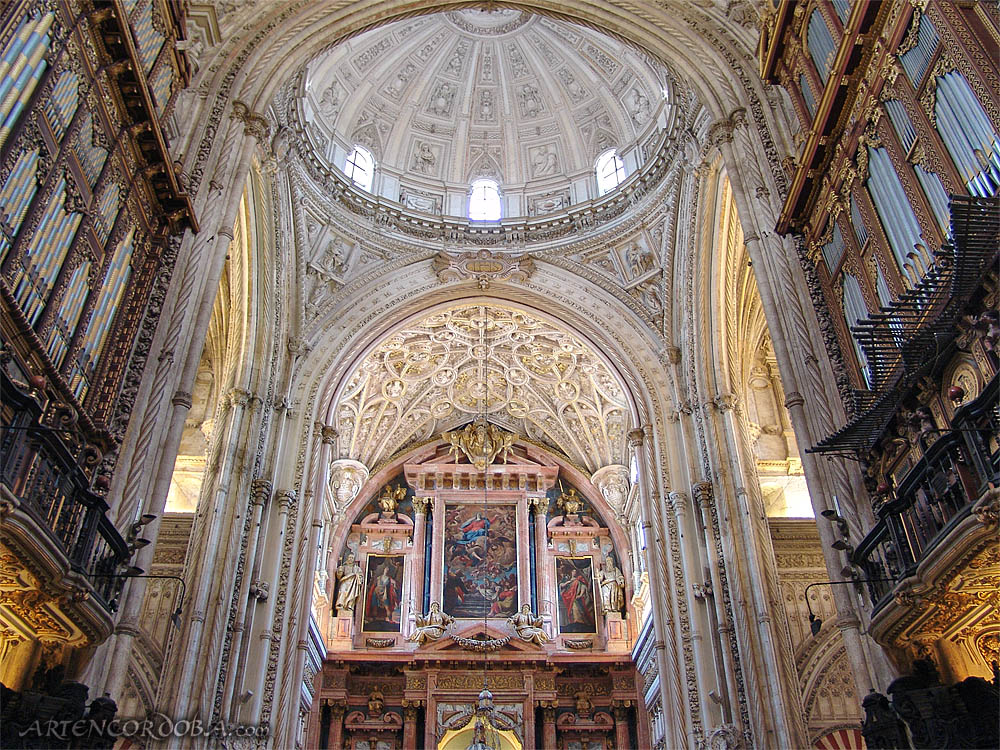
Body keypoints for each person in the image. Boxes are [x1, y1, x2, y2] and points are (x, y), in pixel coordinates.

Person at [560, 565, 593, 630]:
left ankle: (578, 620)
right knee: (573, 609)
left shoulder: (578, 580)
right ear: (571, 572)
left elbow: (583, 587)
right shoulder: (568, 581)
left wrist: (580, 595)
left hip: (576, 598)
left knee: (576, 608)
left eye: (575, 572)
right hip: (569, 597)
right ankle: (575, 621)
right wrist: (566, 584)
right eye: (573, 572)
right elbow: (562, 587)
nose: (574, 573)